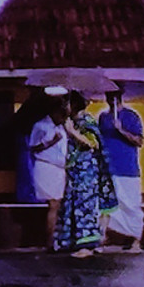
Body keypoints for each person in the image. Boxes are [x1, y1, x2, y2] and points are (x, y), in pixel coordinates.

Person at [54, 91, 113, 257]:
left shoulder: (86, 121)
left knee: (84, 206)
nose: (65, 106)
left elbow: (93, 143)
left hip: (86, 172)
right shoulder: (73, 122)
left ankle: (87, 245)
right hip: (75, 171)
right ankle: (73, 241)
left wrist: (72, 132)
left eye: (67, 103)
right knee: (73, 205)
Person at [97, 84, 144, 248]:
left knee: (131, 204)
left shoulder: (131, 116)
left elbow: (139, 141)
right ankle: (102, 237)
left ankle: (136, 239)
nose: (111, 98)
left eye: (114, 95)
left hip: (126, 168)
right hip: (107, 167)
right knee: (106, 205)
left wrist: (121, 130)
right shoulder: (103, 117)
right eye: (108, 95)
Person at [19, 97, 67, 244]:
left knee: (58, 204)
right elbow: (33, 147)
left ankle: (57, 238)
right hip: (46, 167)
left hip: (59, 168)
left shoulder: (61, 127)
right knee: (53, 204)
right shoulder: (41, 126)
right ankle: (50, 240)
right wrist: (50, 142)